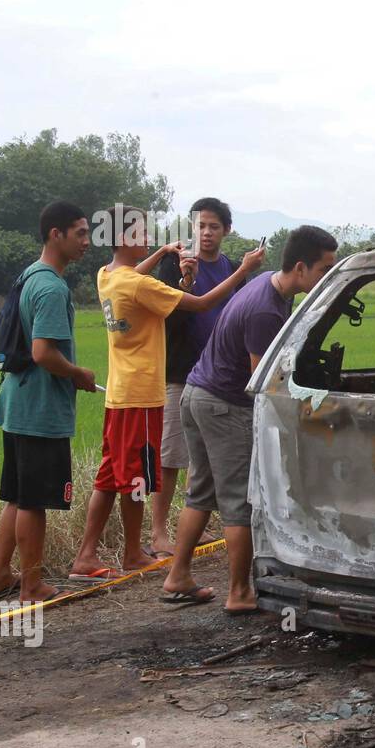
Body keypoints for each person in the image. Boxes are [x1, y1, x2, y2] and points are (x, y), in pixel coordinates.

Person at [69, 205, 263, 580]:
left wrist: (164, 257)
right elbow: (203, 304)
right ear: (125, 238)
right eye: (142, 234)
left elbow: (142, 283)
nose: (148, 239)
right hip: (142, 394)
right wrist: (244, 271)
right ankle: (130, 553)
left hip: (120, 395)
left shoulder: (107, 276)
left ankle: (92, 554)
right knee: (138, 478)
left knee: (110, 477)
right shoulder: (140, 285)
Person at [162, 225, 337, 611]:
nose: (327, 278)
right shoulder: (266, 310)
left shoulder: (265, 285)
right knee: (239, 500)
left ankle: (178, 576)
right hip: (223, 405)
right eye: (324, 269)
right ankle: (239, 592)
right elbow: (263, 384)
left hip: (196, 395)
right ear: (301, 267)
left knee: (200, 493)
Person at [0, 202, 97, 604]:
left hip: (17, 403)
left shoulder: (29, 276)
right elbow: (43, 353)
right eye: (80, 233)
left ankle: (0, 577)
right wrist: (78, 374)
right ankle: (31, 586)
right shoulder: (51, 287)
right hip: (40, 410)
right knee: (34, 501)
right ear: (56, 234)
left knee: (18, 495)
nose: (87, 241)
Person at [148, 197, 243, 558]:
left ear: (226, 231)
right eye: (200, 226)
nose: (206, 233)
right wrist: (186, 280)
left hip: (219, 376)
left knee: (203, 457)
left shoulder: (233, 269)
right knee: (171, 455)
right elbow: (166, 316)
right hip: (180, 371)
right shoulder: (173, 267)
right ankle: (158, 534)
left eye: (213, 226)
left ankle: (193, 527)